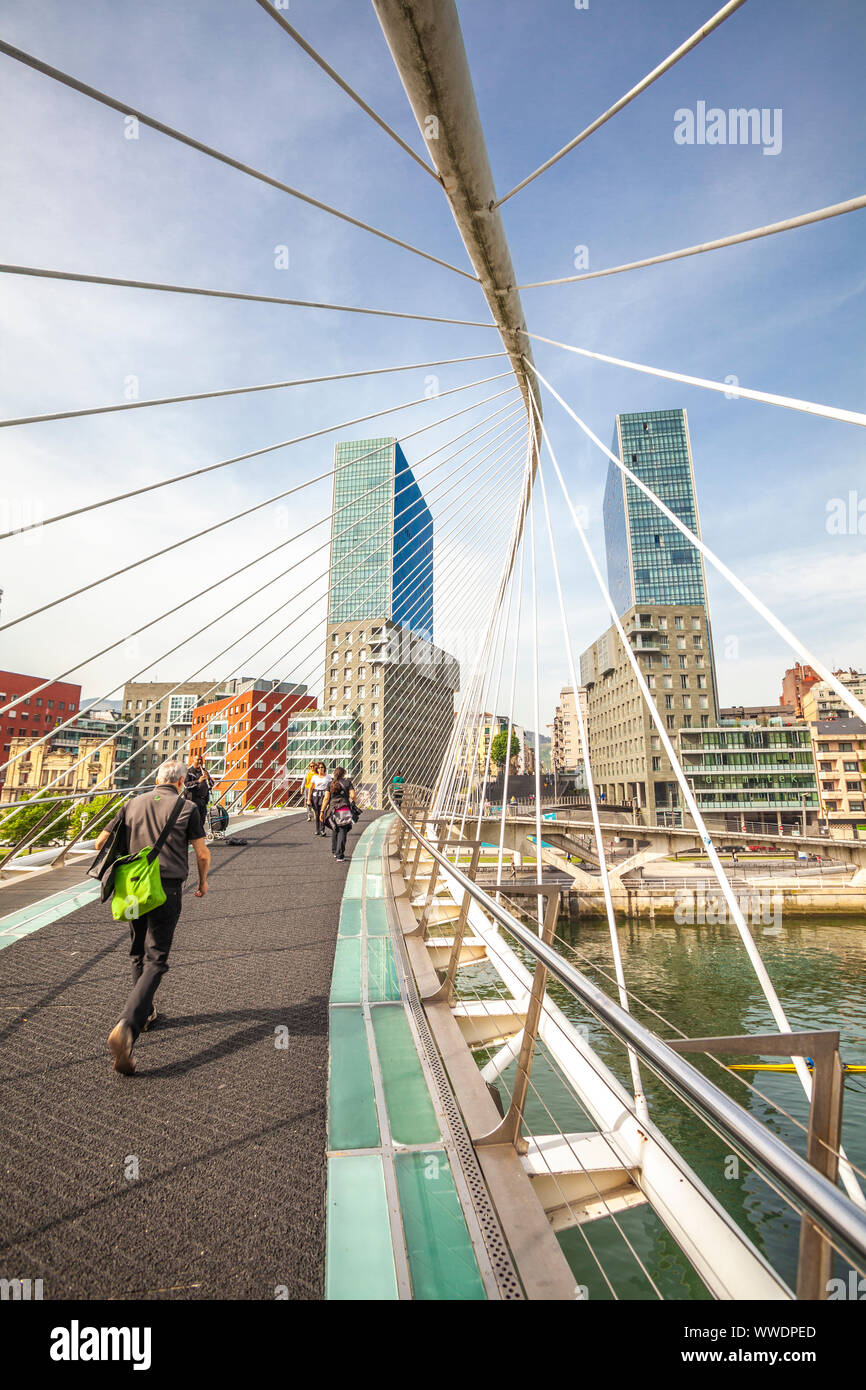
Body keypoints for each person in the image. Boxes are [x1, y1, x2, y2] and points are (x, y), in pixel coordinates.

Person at [95, 759, 210, 1076]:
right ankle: (128, 1026)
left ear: (157, 779)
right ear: (180, 782)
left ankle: (144, 1016)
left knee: (137, 951)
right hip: (166, 891)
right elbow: (201, 853)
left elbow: (101, 842)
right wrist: (202, 882)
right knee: (156, 956)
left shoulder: (132, 803)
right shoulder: (187, 809)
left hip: (133, 889)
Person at [321, 766, 357, 862]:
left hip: (332, 810)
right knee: (342, 830)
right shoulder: (347, 783)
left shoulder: (330, 784)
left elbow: (326, 799)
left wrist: (322, 811)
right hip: (344, 809)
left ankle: (335, 851)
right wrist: (354, 801)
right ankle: (340, 855)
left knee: (335, 829)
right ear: (343, 774)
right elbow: (353, 795)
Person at [184, 753, 213, 828]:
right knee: (193, 820)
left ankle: (199, 836)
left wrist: (208, 778)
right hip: (193, 799)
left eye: (201, 760)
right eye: (198, 760)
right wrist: (198, 781)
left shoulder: (204, 771)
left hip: (203, 800)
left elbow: (211, 784)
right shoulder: (189, 772)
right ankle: (193, 837)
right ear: (193, 760)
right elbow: (186, 784)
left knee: (202, 820)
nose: (200, 762)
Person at [309, 761, 331, 837]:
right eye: (319, 768)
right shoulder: (314, 777)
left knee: (323, 812)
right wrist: (309, 799)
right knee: (317, 813)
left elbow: (331, 787)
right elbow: (311, 788)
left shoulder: (328, 777)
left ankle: (322, 829)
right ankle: (317, 829)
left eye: (322, 767)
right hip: (315, 796)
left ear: (324, 768)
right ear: (317, 769)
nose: (320, 769)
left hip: (324, 796)